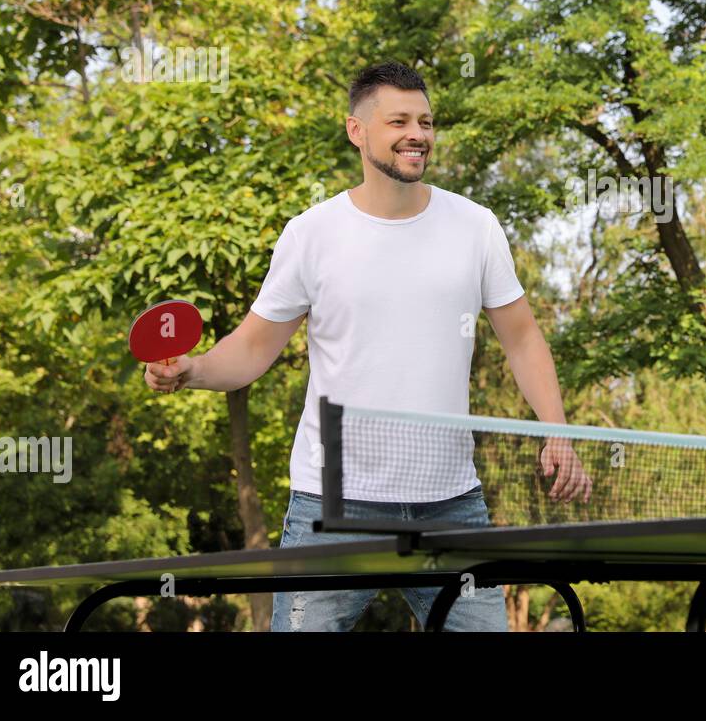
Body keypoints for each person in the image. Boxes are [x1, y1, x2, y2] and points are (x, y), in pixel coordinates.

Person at [143, 60, 591, 631]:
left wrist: (556, 428)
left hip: (450, 505)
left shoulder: (476, 227)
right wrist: (193, 369)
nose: (418, 134)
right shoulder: (311, 234)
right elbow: (254, 348)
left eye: (426, 121)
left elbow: (523, 339)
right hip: (332, 507)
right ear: (356, 131)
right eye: (399, 120)